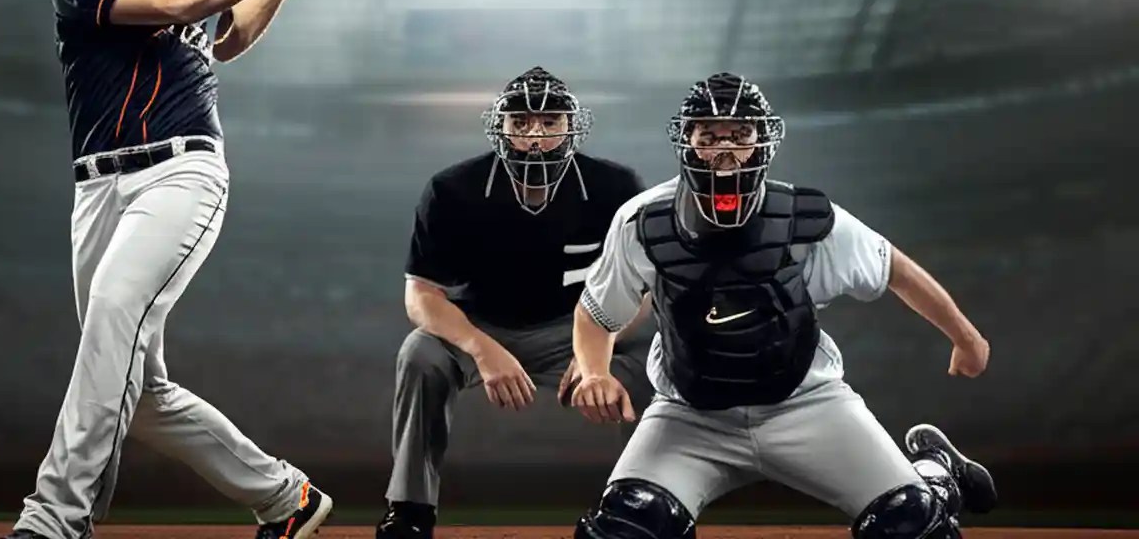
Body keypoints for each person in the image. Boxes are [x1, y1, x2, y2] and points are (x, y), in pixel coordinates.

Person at [6, 0, 358, 539]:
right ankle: (287, 498)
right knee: (136, 391)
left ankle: (53, 519)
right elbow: (176, 6)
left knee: (113, 318)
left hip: (179, 175)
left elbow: (227, 37)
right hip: (97, 191)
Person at [570, 72, 997, 538]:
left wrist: (966, 338)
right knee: (629, 529)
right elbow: (596, 312)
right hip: (689, 415)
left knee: (909, 524)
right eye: (710, 136)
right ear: (687, 142)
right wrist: (595, 371)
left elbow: (895, 269)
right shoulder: (643, 222)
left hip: (806, 403)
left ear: (763, 141)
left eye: (741, 134)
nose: (726, 150)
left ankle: (936, 474)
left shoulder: (805, 218)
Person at [376, 67, 658, 539]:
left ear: (572, 126)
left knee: (658, 360)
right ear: (499, 127)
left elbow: (644, 291)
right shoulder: (453, 188)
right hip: (479, 326)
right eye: (521, 122)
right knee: (420, 354)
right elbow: (422, 295)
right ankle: (409, 509)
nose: (534, 135)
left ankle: (645, 504)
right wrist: (484, 350)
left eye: (549, 122)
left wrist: (593, 356)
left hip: (581, 328)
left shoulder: (614, 186)